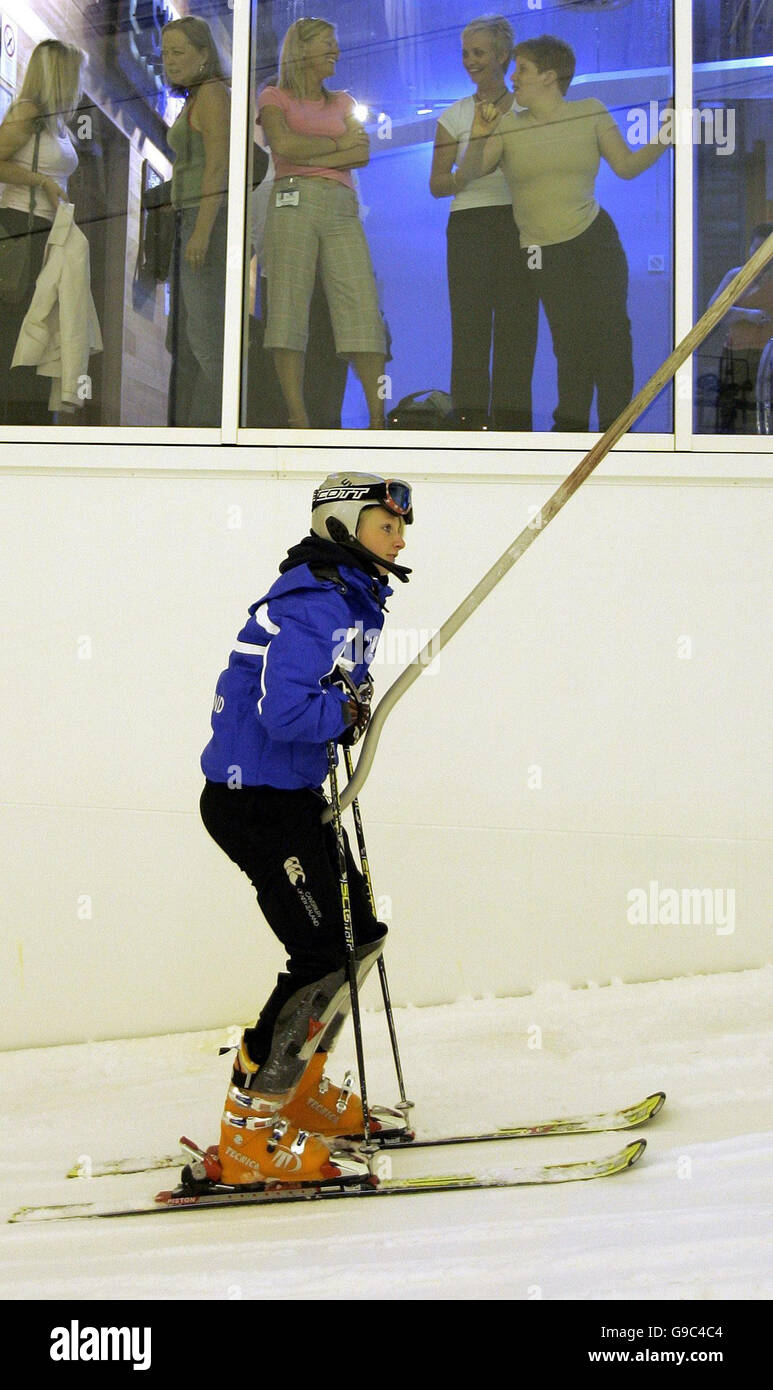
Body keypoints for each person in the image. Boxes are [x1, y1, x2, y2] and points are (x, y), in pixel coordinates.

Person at [198, 473, 413, 1188]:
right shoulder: (315, 601)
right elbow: (284, 712)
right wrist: (344, 714)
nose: (400, 541)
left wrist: (344, 706)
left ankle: (299, 1091)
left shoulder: (348, 595)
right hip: (255, 804)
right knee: (321, 953)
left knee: (359, 939)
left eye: (400, 529)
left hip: (289, 796)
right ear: (343, 527)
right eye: (386, 526)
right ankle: (247, 1136)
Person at [466, 35, 671, 432]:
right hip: (541, 250)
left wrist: (666, 133)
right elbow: (471, 172)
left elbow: (626, 167)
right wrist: (478, 132)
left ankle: (617, 429)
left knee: (612, 335)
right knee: (569, 340)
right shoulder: (508, 126)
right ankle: (570, 428)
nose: (512, 77)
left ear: (549, 76)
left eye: (521, 69)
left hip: (595, 238)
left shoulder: (590, 111)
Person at [257, 18, 387, 428]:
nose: (336, 50)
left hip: (340, 204)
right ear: (302, 49)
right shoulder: (273, 95)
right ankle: (297, 416)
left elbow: (361, 154)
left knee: (361, 303)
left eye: (335, 43)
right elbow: (282, 145)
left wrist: (309, 154)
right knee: (287, 304)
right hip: (292, 200)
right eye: (327, 43)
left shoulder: (344, 101)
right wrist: (335, 146)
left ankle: (378, 419)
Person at [429, 15, 537, 431]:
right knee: (469, 327)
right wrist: (467, 172)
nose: (470, 61)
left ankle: (514, 430)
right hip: (469, 226)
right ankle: (468, 426)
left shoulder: (530, 109)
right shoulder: (454, 115)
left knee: (518, 327)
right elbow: (437, 185)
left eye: (479, 52)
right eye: (465, 53)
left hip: (520, 223)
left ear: (503, 55)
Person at [0, 38, 85, 424]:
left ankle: (32, 419)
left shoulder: (56, 123)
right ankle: (17, 420)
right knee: (22, 325)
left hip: (49, 232)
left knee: (44, 328)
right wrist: (41, 181)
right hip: (23, 226)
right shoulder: (28, 113)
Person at [162, 16, 230, 427]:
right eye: (165, 53)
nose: (169, 60)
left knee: (205, 335)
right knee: (187, 334)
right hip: (187, 219)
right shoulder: (195, 98)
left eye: (178, 52)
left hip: (204, 221)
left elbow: (218, 165)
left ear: (204, 54)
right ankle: (195, 424)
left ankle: (213, 426)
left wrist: (202, 232)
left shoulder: (212, 93)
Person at [707, 224, 773, 433]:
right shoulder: (736, 276)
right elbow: (713, 311)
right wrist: (747, 314)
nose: (759, 255)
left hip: (767, 355)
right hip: (736, 354)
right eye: (755, 248)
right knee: (731, 411)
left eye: (764, 250)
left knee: (762, 409)